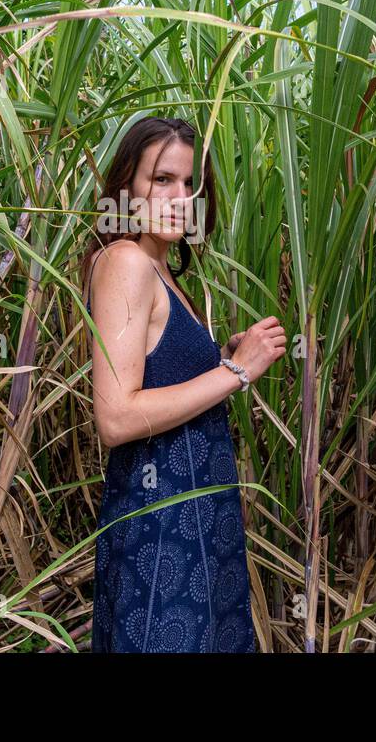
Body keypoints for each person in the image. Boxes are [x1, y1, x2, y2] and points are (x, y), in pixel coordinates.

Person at [79, 115, 287, 652]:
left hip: (194, 522)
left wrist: (222, 355)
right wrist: (237, 371)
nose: (180, 197)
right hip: (161, 532)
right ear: (127, 187)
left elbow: (157, 374)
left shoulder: (158, 267)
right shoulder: (126, 261)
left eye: (189, 183)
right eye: (162, 180)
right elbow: (117, 416)